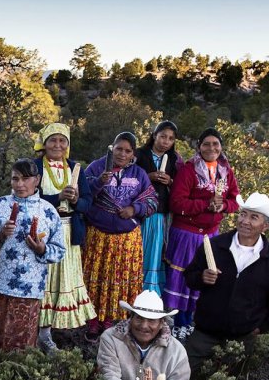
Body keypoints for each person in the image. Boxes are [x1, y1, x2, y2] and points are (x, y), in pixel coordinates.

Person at [183, 193, 269, 380]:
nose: (245, 221)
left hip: (243, 339)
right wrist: (202, 277)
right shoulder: (215, 245)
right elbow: (189, 277)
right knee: (181, 377)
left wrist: (261, 327)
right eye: (243, 214)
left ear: (265, 226)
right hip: (204, 334)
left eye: (254, 217)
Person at [0, 159, 66, 368]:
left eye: (26, 179)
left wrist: (42, 249)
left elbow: (59, 251)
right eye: (15, 179)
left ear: (37, 180)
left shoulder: (49, 212)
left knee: (20, 340)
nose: (20, 184)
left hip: (29, 289)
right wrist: (0, 235)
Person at [163, 127, 241, 339]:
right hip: (187, 233)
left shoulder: (226, 170)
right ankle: (179, 323)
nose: (211, 148)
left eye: (215, 144)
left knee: (203, 278)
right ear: (199, 147)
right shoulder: (189, 170)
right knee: (183, 278)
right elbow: (176, 203)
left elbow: (236, 201)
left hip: (211, 235)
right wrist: (205, 205)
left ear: (221, 147)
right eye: (206, 144)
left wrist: (222, 206)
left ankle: (191, 322)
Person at [82, 132, 158, 339]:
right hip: (98, 236)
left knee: (116, 280)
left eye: (127, 150)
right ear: (111, 148)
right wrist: (99, 182)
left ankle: (109, 320)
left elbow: (152, 200)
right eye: (119, 149)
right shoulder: (97, 167)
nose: (122, 154)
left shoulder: (139, 173)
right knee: (96, 278)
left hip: (125, 239)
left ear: (133, 153)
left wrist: (134, 209)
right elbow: (82, 195)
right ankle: (92, 321)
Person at [33, 123, 96, 351]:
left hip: (69, 231)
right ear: (44, 143)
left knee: (62, 280)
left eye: (62, 141)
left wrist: (77, 201)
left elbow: (88, 204)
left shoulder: (75, 169)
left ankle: (49, 333)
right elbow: (30, 196)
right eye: (53, 140)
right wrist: (57, 196)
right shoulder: (35, 167)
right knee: (45, 279)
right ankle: (35, 331)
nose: (57, 145)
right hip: (44, 231)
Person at [135, 121, 181, 296]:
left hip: (161, 213)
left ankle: (151, 290)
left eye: (170, 138)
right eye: (162, 136)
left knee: (156, 251)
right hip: (140, 212)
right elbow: (129, 177)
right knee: (140, 249)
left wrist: (169, 181)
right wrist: (148, 176)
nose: (166, 141)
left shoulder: (175, 160)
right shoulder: (140, 155)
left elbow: (180, 185)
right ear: (154, 135)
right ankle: (135, 288)